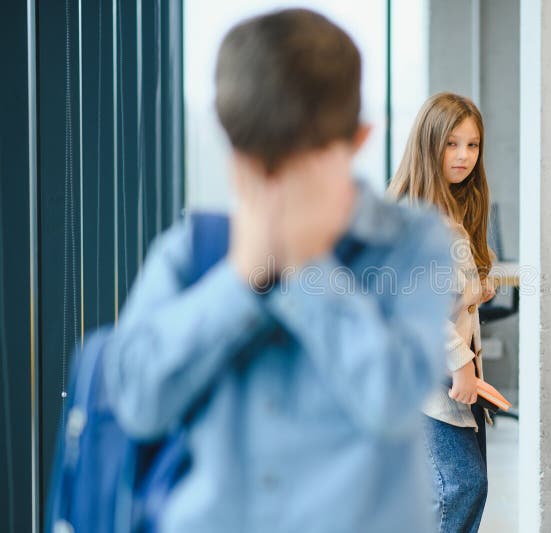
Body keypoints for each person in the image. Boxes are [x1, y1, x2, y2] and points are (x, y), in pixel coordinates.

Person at [102, 9, 453, 533]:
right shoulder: (195, 248)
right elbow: (135, 401)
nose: (273, 194)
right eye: (256, 168)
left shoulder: (410, 242)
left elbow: (397, 400)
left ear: (358, 141)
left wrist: (305, 268)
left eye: (296, 169)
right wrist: (242, 276)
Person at [388, 92, 495, 533]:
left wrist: (473, 291)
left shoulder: (448, 208)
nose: (464, 156)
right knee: (462, 485)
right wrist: (462, 365)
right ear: (429, 144)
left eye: (472, 145)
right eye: (452, 143)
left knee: (452, 488)